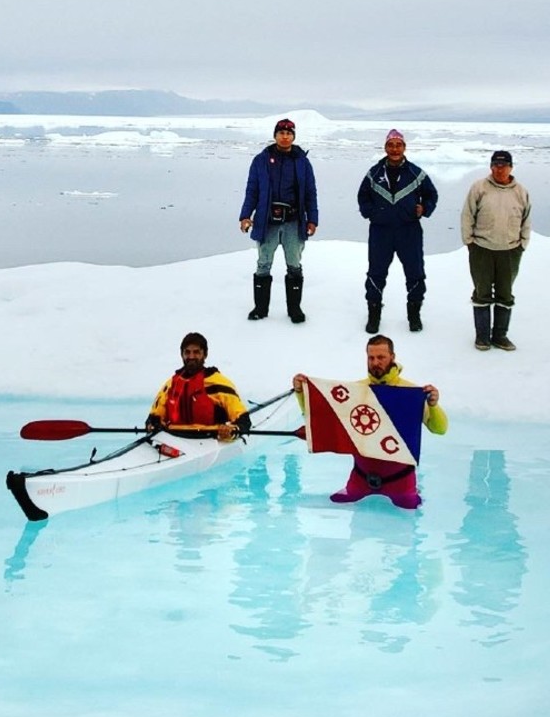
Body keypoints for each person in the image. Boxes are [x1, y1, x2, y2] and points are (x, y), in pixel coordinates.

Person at [292, 335, 446, 509]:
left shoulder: (411, 393)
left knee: (410, 515)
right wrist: (301, 392)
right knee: (337, 505)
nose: (375, 362)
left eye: (381, 357)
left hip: (401, 482)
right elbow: (319, 417)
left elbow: (440, 429)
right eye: (371, 358)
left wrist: (433, 406)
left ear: (392, 357)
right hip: (361, 479)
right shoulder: (355, 391)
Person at [357, 128, 438, 334]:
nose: (394, 149)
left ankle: (414, 316)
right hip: (381, 232)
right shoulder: (374, 173)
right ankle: (374, 316)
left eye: (398, 145)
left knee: (415, 273)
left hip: (409, 231)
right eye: (391, 145)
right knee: (376, 273)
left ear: (404, 147)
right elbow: (363, 197)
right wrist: (371, 213)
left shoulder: (416, 173)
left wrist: (424, 208)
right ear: (385, 148)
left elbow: (431, 194)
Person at [238, 117, 319, 323]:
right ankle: (260, 309)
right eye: (281, 133)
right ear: (275, 135)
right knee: (263, 263)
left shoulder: (302, 162)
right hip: (267, 221)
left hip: (293, 221)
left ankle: (295, 310)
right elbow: (252, 190)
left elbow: (310, 192)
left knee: (294, 264)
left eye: (289, 133)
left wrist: (313, 219)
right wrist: (245, 216)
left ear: (293, 136)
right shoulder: (261, 160)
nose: (285, 137)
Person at [461, 149, 531, 351]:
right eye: (496, 165)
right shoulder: (479, 188)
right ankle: (482, 337)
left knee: (505, 294)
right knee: (482, 293)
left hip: (510, 251)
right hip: (482, 249)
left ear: (511, 167)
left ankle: (500, 336)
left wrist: (522, 244)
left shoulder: (521, 192)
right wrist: (470, 242)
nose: (500, 169)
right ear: (491, 167)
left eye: (504, 165)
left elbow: (526, 219)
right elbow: (467, 215)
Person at [145, 332, 252, 440]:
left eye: (196, 352)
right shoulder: (171, 385)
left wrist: (233, 430)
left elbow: (243, 420)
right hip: (174, 437)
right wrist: (152, 424)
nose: (191, 356)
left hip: (209, 437)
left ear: (205, 355)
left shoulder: (218, 383)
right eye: (187, 352)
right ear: (182, 355)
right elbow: (154, 417)